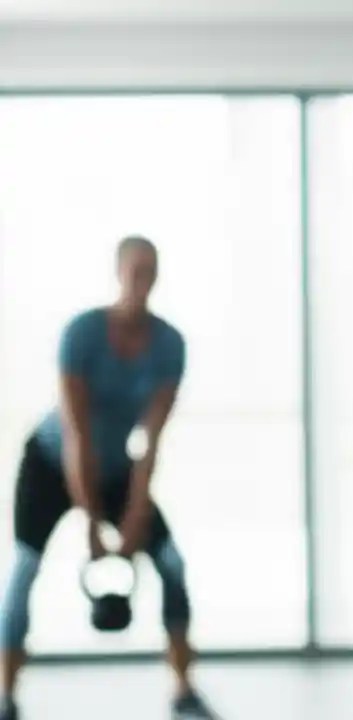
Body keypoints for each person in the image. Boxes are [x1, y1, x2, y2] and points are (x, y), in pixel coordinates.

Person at [0, 236, 219, 720]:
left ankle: (183, 689)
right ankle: (5, 694)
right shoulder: (81, 333)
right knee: (23, 570)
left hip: (117, 469)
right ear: (118, 271)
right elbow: (77, 434)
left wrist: (137, 513)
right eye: (135, 268)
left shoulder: (169, 344)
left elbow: (151, 441)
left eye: (151, 270)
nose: (143, 279)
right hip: (50, 463)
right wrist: (92, 527)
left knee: (172, 563)